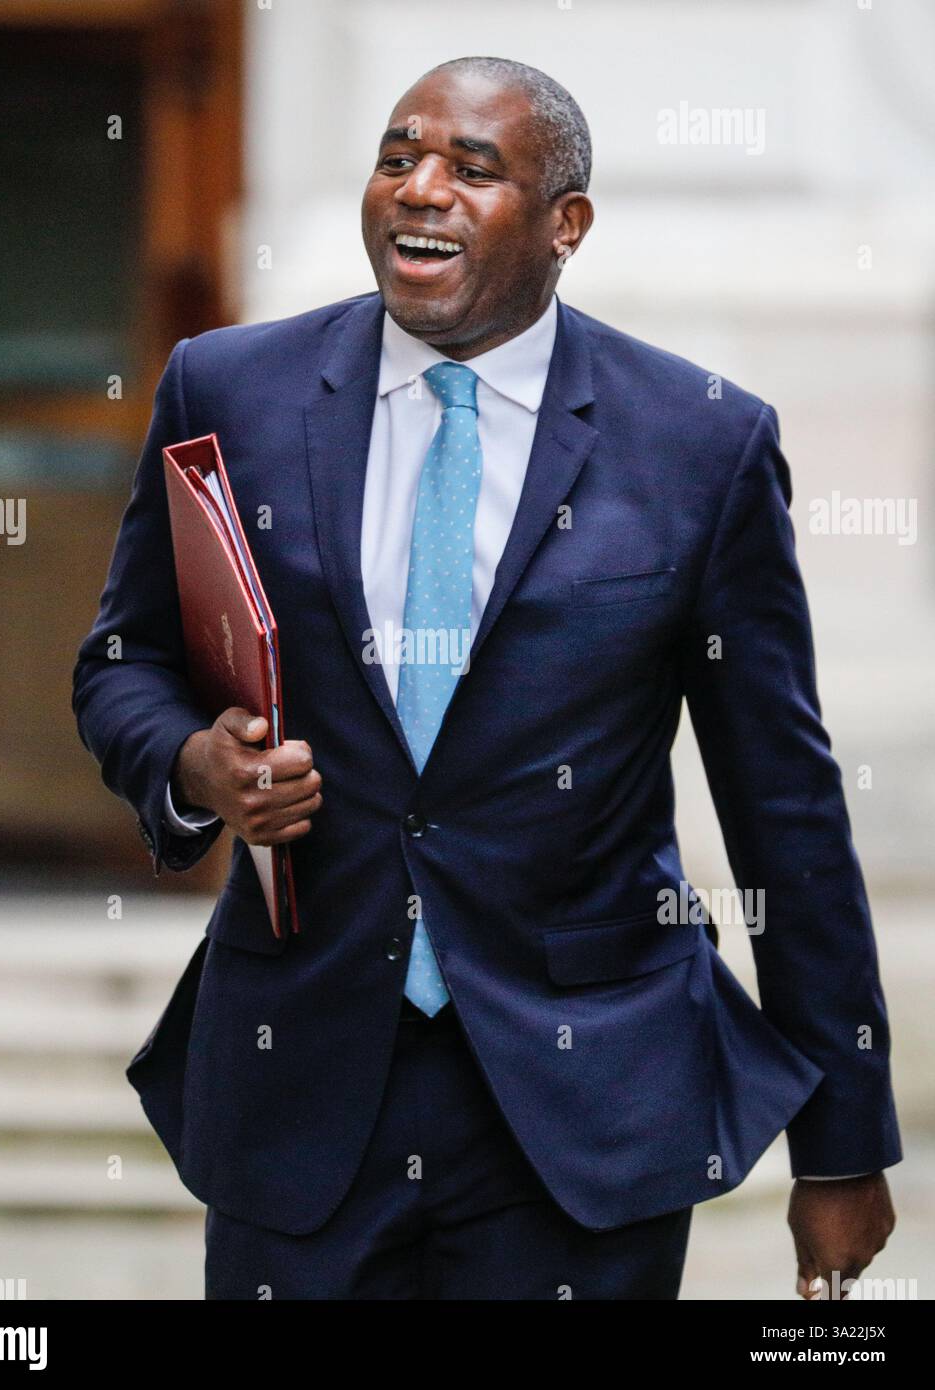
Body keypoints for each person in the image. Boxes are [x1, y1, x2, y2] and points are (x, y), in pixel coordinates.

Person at [72, 55, 900, 1300]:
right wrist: (197, 766)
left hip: (585, 1107)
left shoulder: (700, 443)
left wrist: (839, 1140)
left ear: (565, 224)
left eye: (472, 168)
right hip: (301, 1083)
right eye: (398, 157)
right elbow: (124, 663)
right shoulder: (227, 390)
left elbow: (785, 804)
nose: (422, 190)